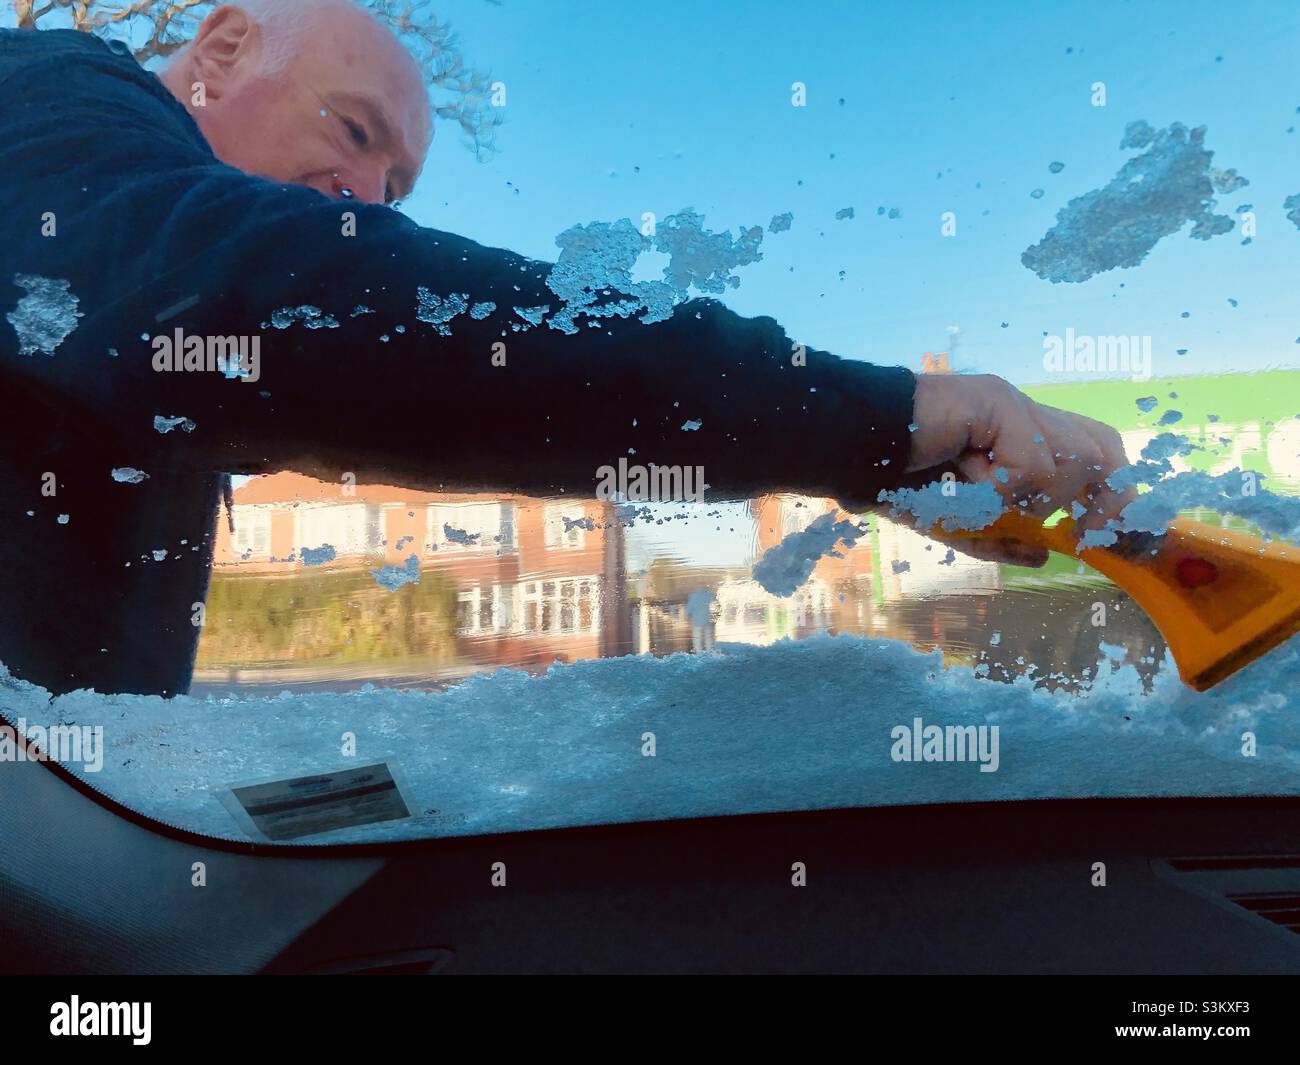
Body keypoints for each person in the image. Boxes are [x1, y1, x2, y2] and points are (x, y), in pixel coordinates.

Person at [0, 1, 1127, 697]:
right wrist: (878, 416)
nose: (372, 202)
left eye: (399, 187)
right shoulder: (42, 98)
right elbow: (275, 295)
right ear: (224, 47)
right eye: (354, 134)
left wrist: (877, 455)